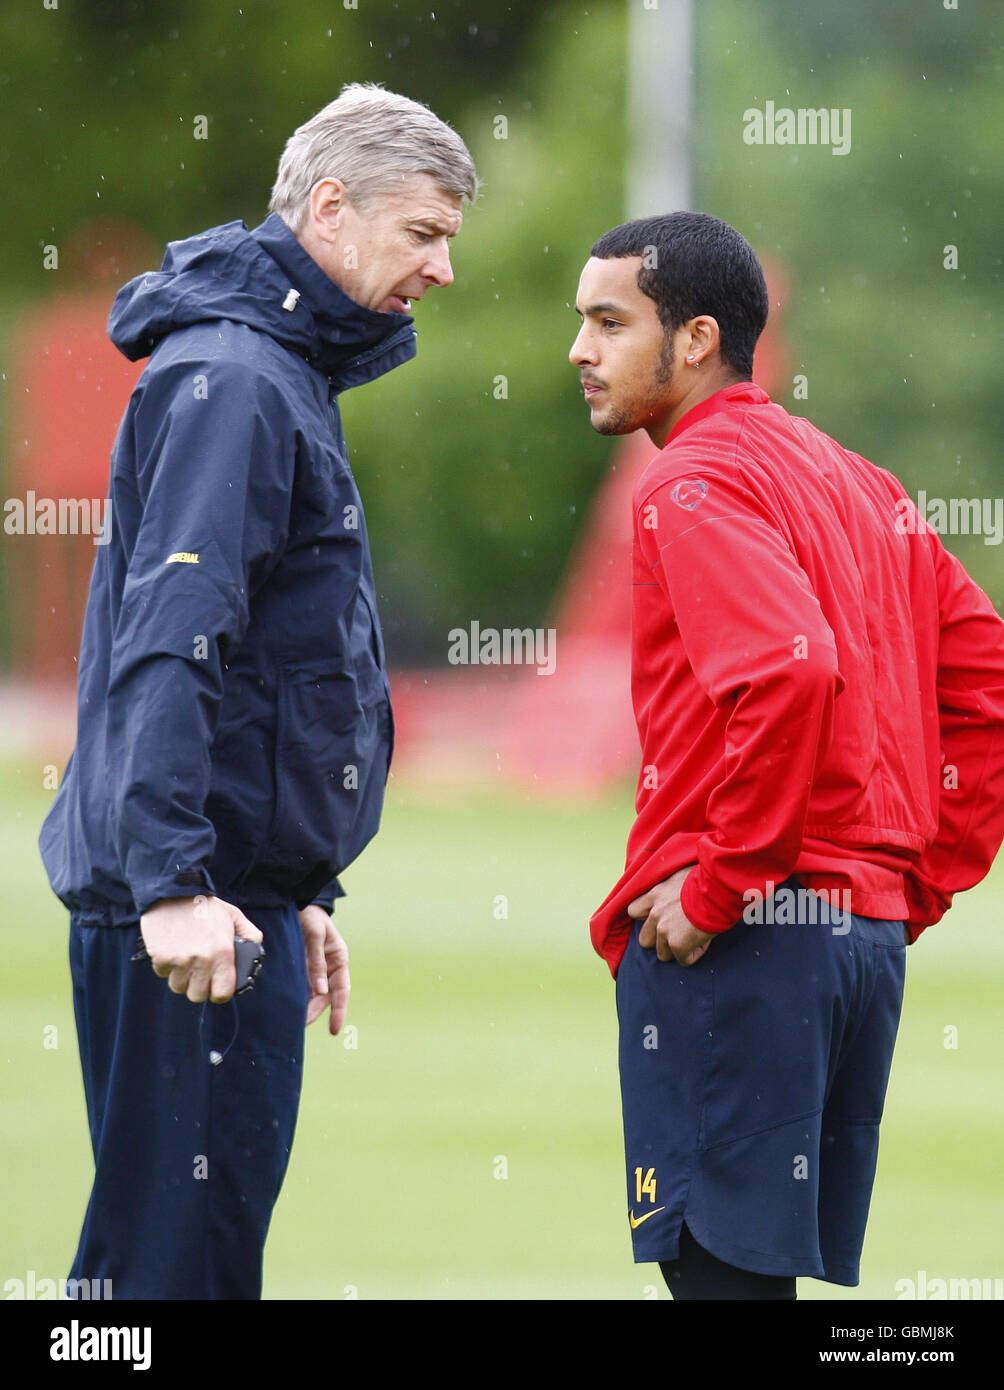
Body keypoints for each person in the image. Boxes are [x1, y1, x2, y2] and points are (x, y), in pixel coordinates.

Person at [38, 83, 477, 1300]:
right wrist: (178, 882)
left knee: (155, 1268)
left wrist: (294, 882)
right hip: (193, 918)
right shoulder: (235, 376)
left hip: (233, 901)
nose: (442, 269)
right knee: (171, 1279)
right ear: (330, 208)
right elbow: (173, 641)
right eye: (423, 234)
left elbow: (275, 665)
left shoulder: (270, 370)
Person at [569, 212, 1004, 1300]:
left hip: (750, 942)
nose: (578, 350)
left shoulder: (689, 482)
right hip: (848, 942)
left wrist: (723, 885)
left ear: (695, 337)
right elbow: (986, 685)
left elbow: (787, 670)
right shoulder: (859, 480)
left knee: (720, 1287)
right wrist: (901, 885)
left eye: (608, 322)